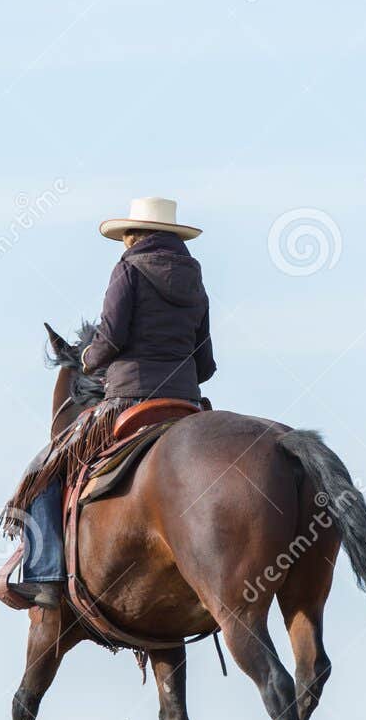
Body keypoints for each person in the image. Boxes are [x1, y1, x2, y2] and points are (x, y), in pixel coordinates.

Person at [16, 196, 216, 609]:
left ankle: (46, 577)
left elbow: (111, 339)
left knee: (43, 472)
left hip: (128, 399)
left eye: (125, 237)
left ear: (132, 236)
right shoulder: (195, 280)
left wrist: (89, 358)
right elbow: (206, 363)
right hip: (186, 402)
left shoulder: (128, 269)